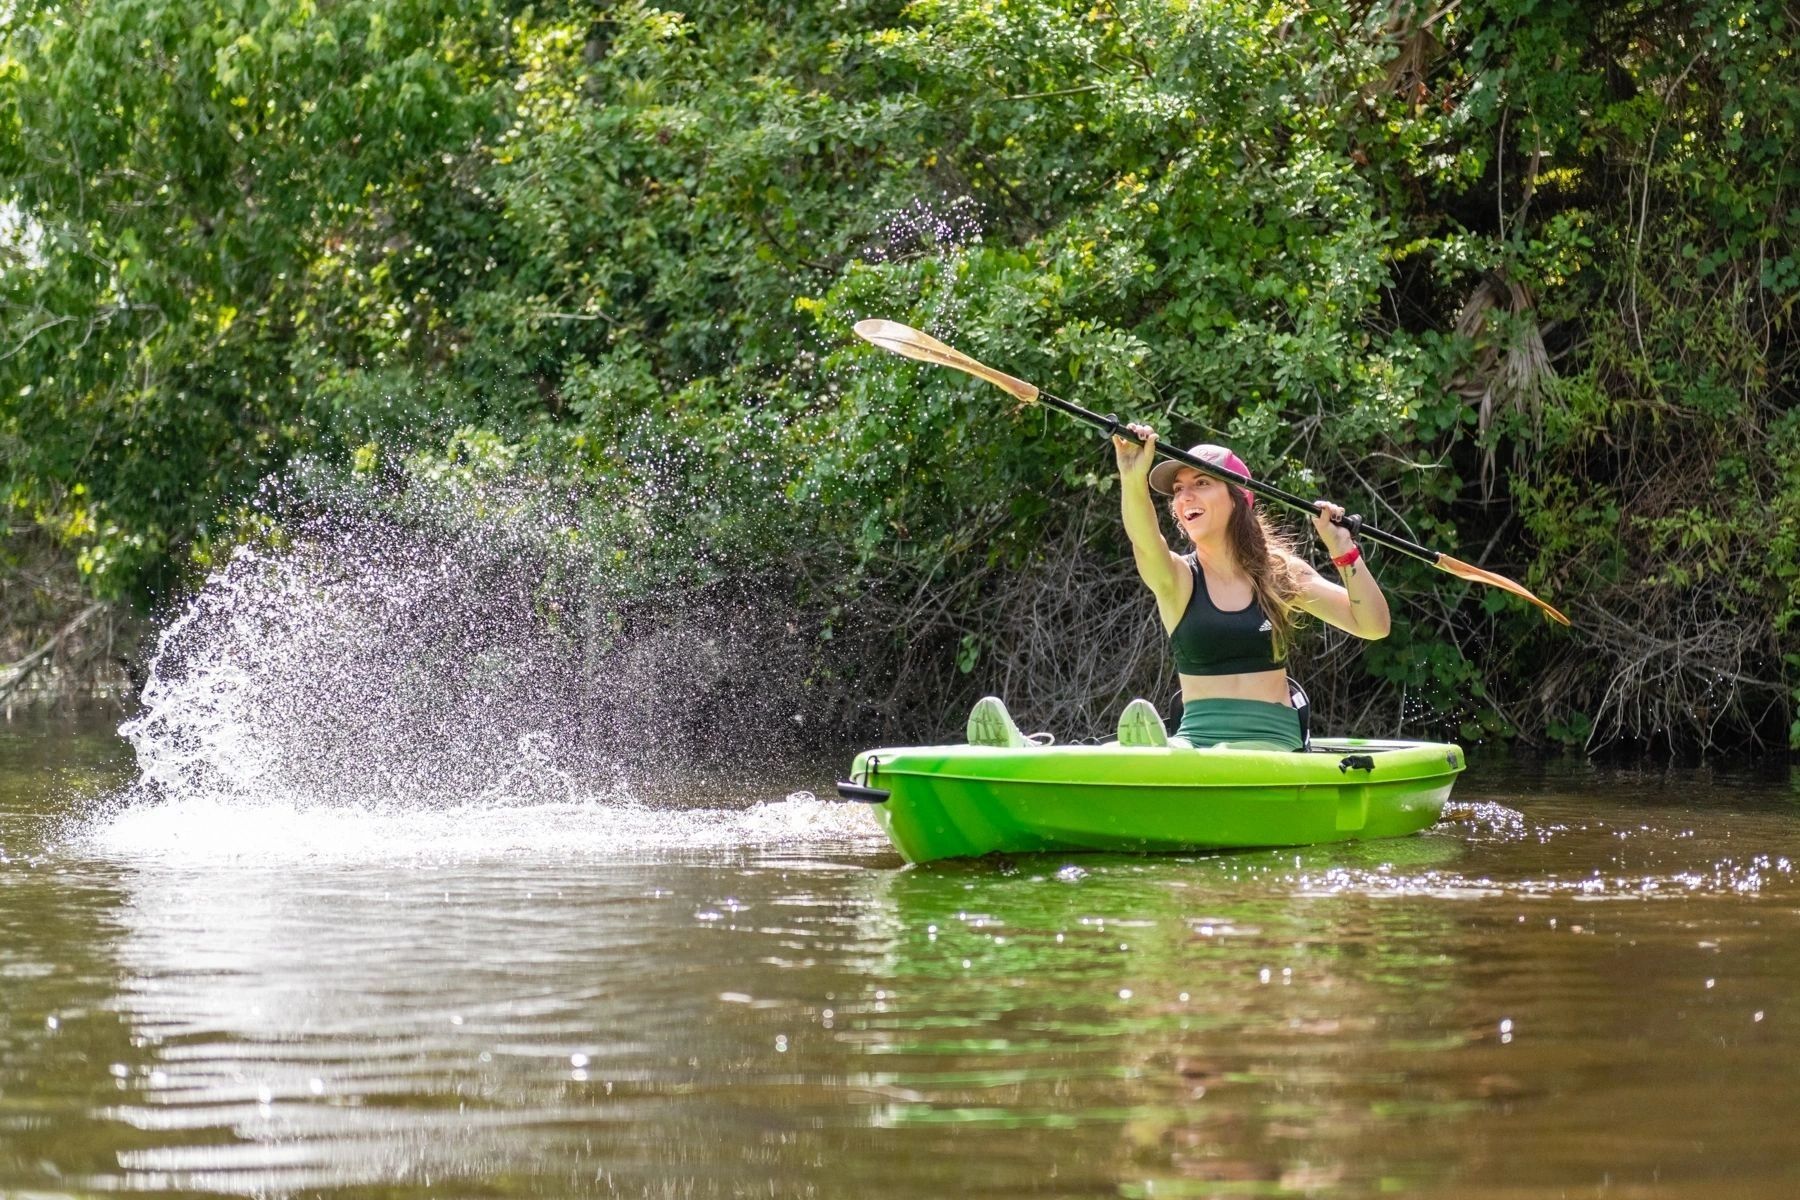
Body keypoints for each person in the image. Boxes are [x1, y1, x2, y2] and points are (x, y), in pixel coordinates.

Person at [967, 423, 1390, 750]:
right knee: (1159, 753)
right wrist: (1133, 476)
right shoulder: (1179, 579)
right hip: (1197, 741)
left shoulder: (1280, 574)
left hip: (1272, 741)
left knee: (1167, 756)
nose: (1186, 497)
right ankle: (1030, 754)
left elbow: (1373, 626)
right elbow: (1146, 542)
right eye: (1179, 490)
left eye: (1201, 484)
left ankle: (1148, 757)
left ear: (1239, 498)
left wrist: (1343, 550)